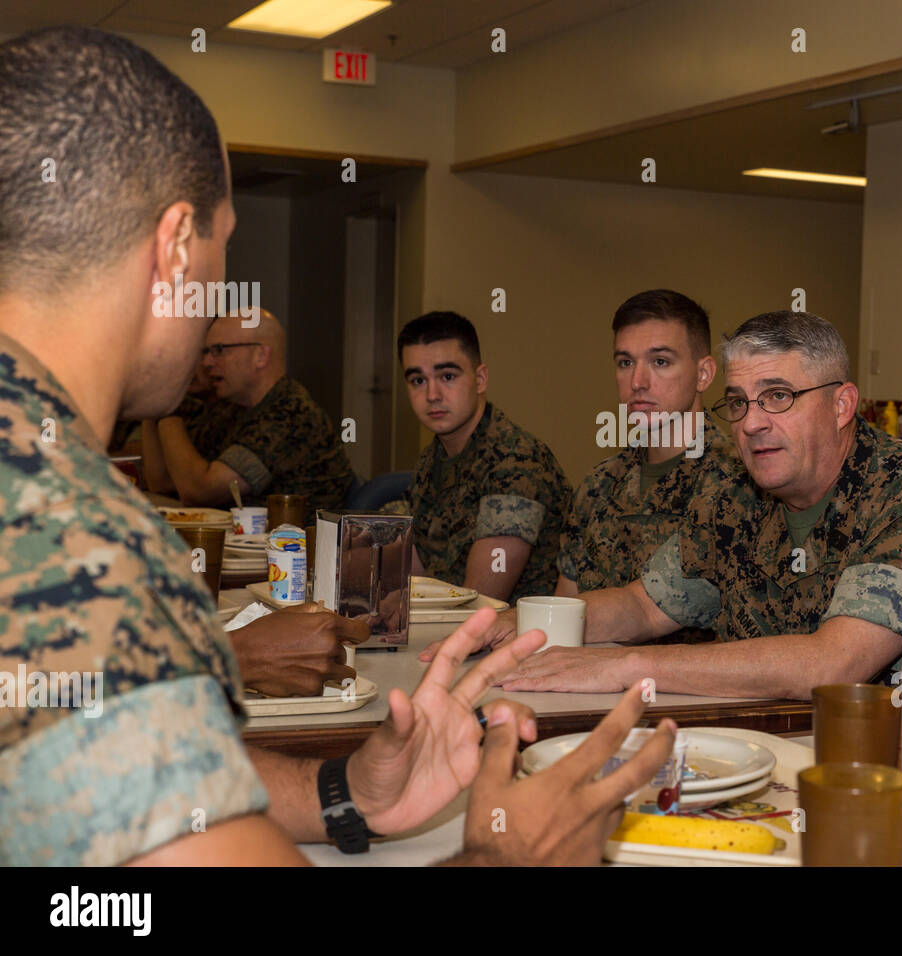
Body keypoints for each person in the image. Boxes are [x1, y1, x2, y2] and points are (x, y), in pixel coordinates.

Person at [0, 25, 673, 866]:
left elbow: (101, 755)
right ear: (175, 245)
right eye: (223, 247)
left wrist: (343, 792)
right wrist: (515, 855)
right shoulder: (72, 536)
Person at [433, 312, 902, 700]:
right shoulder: (736, 492)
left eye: (778, 396)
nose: (752, 422)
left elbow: (835, 664)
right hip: (760, 746)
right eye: (738, 402)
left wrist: (628, 667)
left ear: (842, 404)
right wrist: (516, 626)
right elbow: (644, 606)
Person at [557, 289, 744, 642]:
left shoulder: (737, 483)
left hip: (690, 693)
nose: (637, 382)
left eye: (660, 361)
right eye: (625, 362)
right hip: (584, 688)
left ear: (704, 374)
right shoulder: (599, 484)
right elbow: (564, 609)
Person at [388, 312, 571, 603]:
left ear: (480, 378)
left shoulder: (515, 461)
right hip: (452, 627)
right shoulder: (433, 458)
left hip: (515, 638)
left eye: (447, 376)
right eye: (418, 380)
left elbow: (480, 601)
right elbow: (417, 571)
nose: (432, 394)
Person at [142, 308, 355, 515]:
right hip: (248, 544)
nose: (206, 362)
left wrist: (169, 405)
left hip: (293, 548)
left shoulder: (289, 413)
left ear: (260, 356)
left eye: (219, 350)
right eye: (206, 352)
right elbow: (165, 482)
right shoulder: (231, 408)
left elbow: (200, 491)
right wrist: (155, 407)